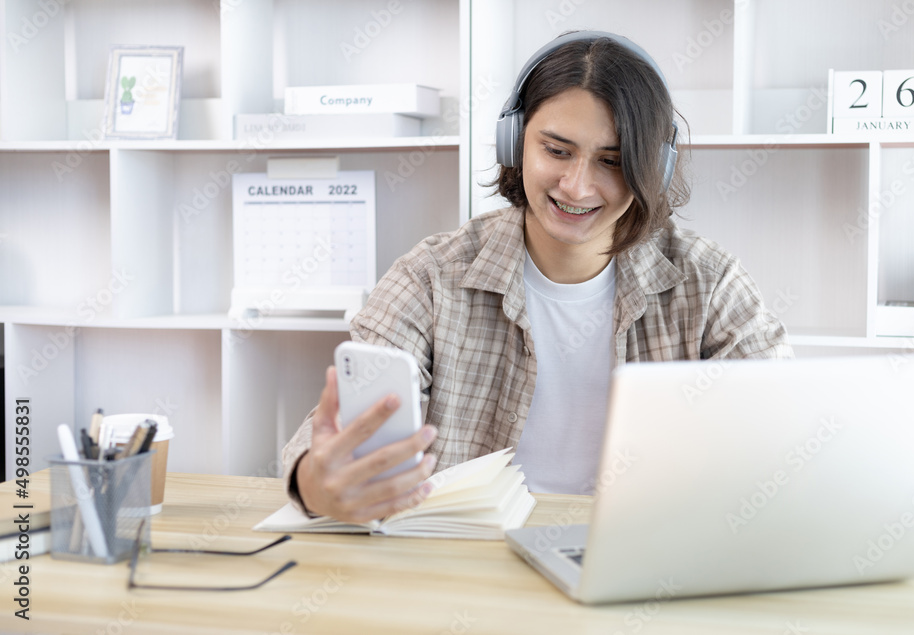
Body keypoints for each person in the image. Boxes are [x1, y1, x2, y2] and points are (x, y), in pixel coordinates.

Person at [282, 31, 792, 523]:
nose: (577, 185)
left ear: (652, 169)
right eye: (557, 150)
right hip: (473, 566)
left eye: (612, 162)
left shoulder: (708, 282)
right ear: (514, 141)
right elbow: (338, 437)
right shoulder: (431, 277)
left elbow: (783, 430)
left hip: (642, 554)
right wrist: (315, 482)